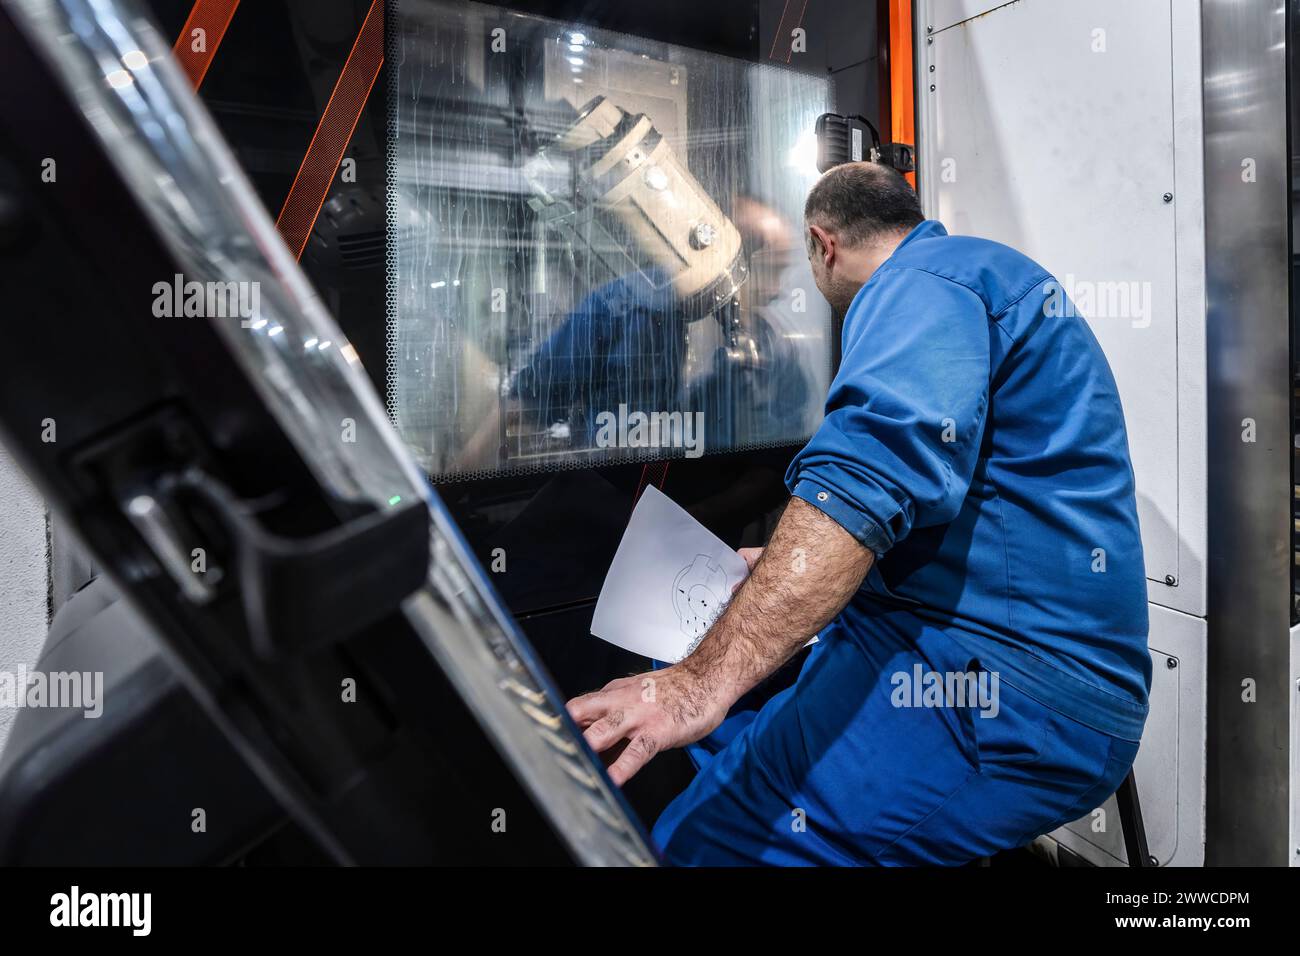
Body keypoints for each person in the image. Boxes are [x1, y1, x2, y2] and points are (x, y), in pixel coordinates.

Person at [566, 162, 1151, 866]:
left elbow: (863, 483)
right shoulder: (978, 275)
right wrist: (780, 568)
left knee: (702, 841)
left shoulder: (920, 284)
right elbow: (939, 505)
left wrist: (693, 690)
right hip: (990, 656)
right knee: (733, 731)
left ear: (825, 245)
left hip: (1003, 692)